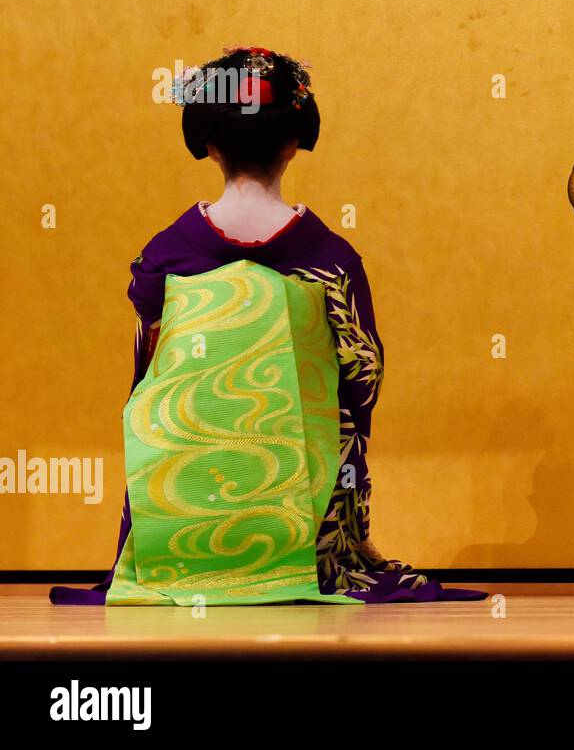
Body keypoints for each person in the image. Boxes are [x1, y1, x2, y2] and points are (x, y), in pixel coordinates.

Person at [52, 47, 484, 605]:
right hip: (304, 504)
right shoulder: (331, 259)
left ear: (208, 145)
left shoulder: (165, 256)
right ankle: (309, 565)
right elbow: (363, 378)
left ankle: (176, 561)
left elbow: (151, 368)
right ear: (293, 144)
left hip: (184, 501)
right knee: (342, 418)